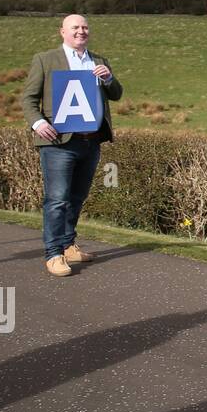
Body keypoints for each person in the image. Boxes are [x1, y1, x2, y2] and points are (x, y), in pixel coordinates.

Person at [20, 14, 123, 277]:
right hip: (58, 142)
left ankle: (68, 245)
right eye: (75, 27)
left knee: (77, 197)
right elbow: (28, 99)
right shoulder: (45, 60)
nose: (81, 31)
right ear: (62, 32)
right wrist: (37, 123)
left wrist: (109, 78)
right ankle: (53, 254)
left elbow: (117, 94)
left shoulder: (99, 60)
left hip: (90, 141)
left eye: (85, 27)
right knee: (57, 200)